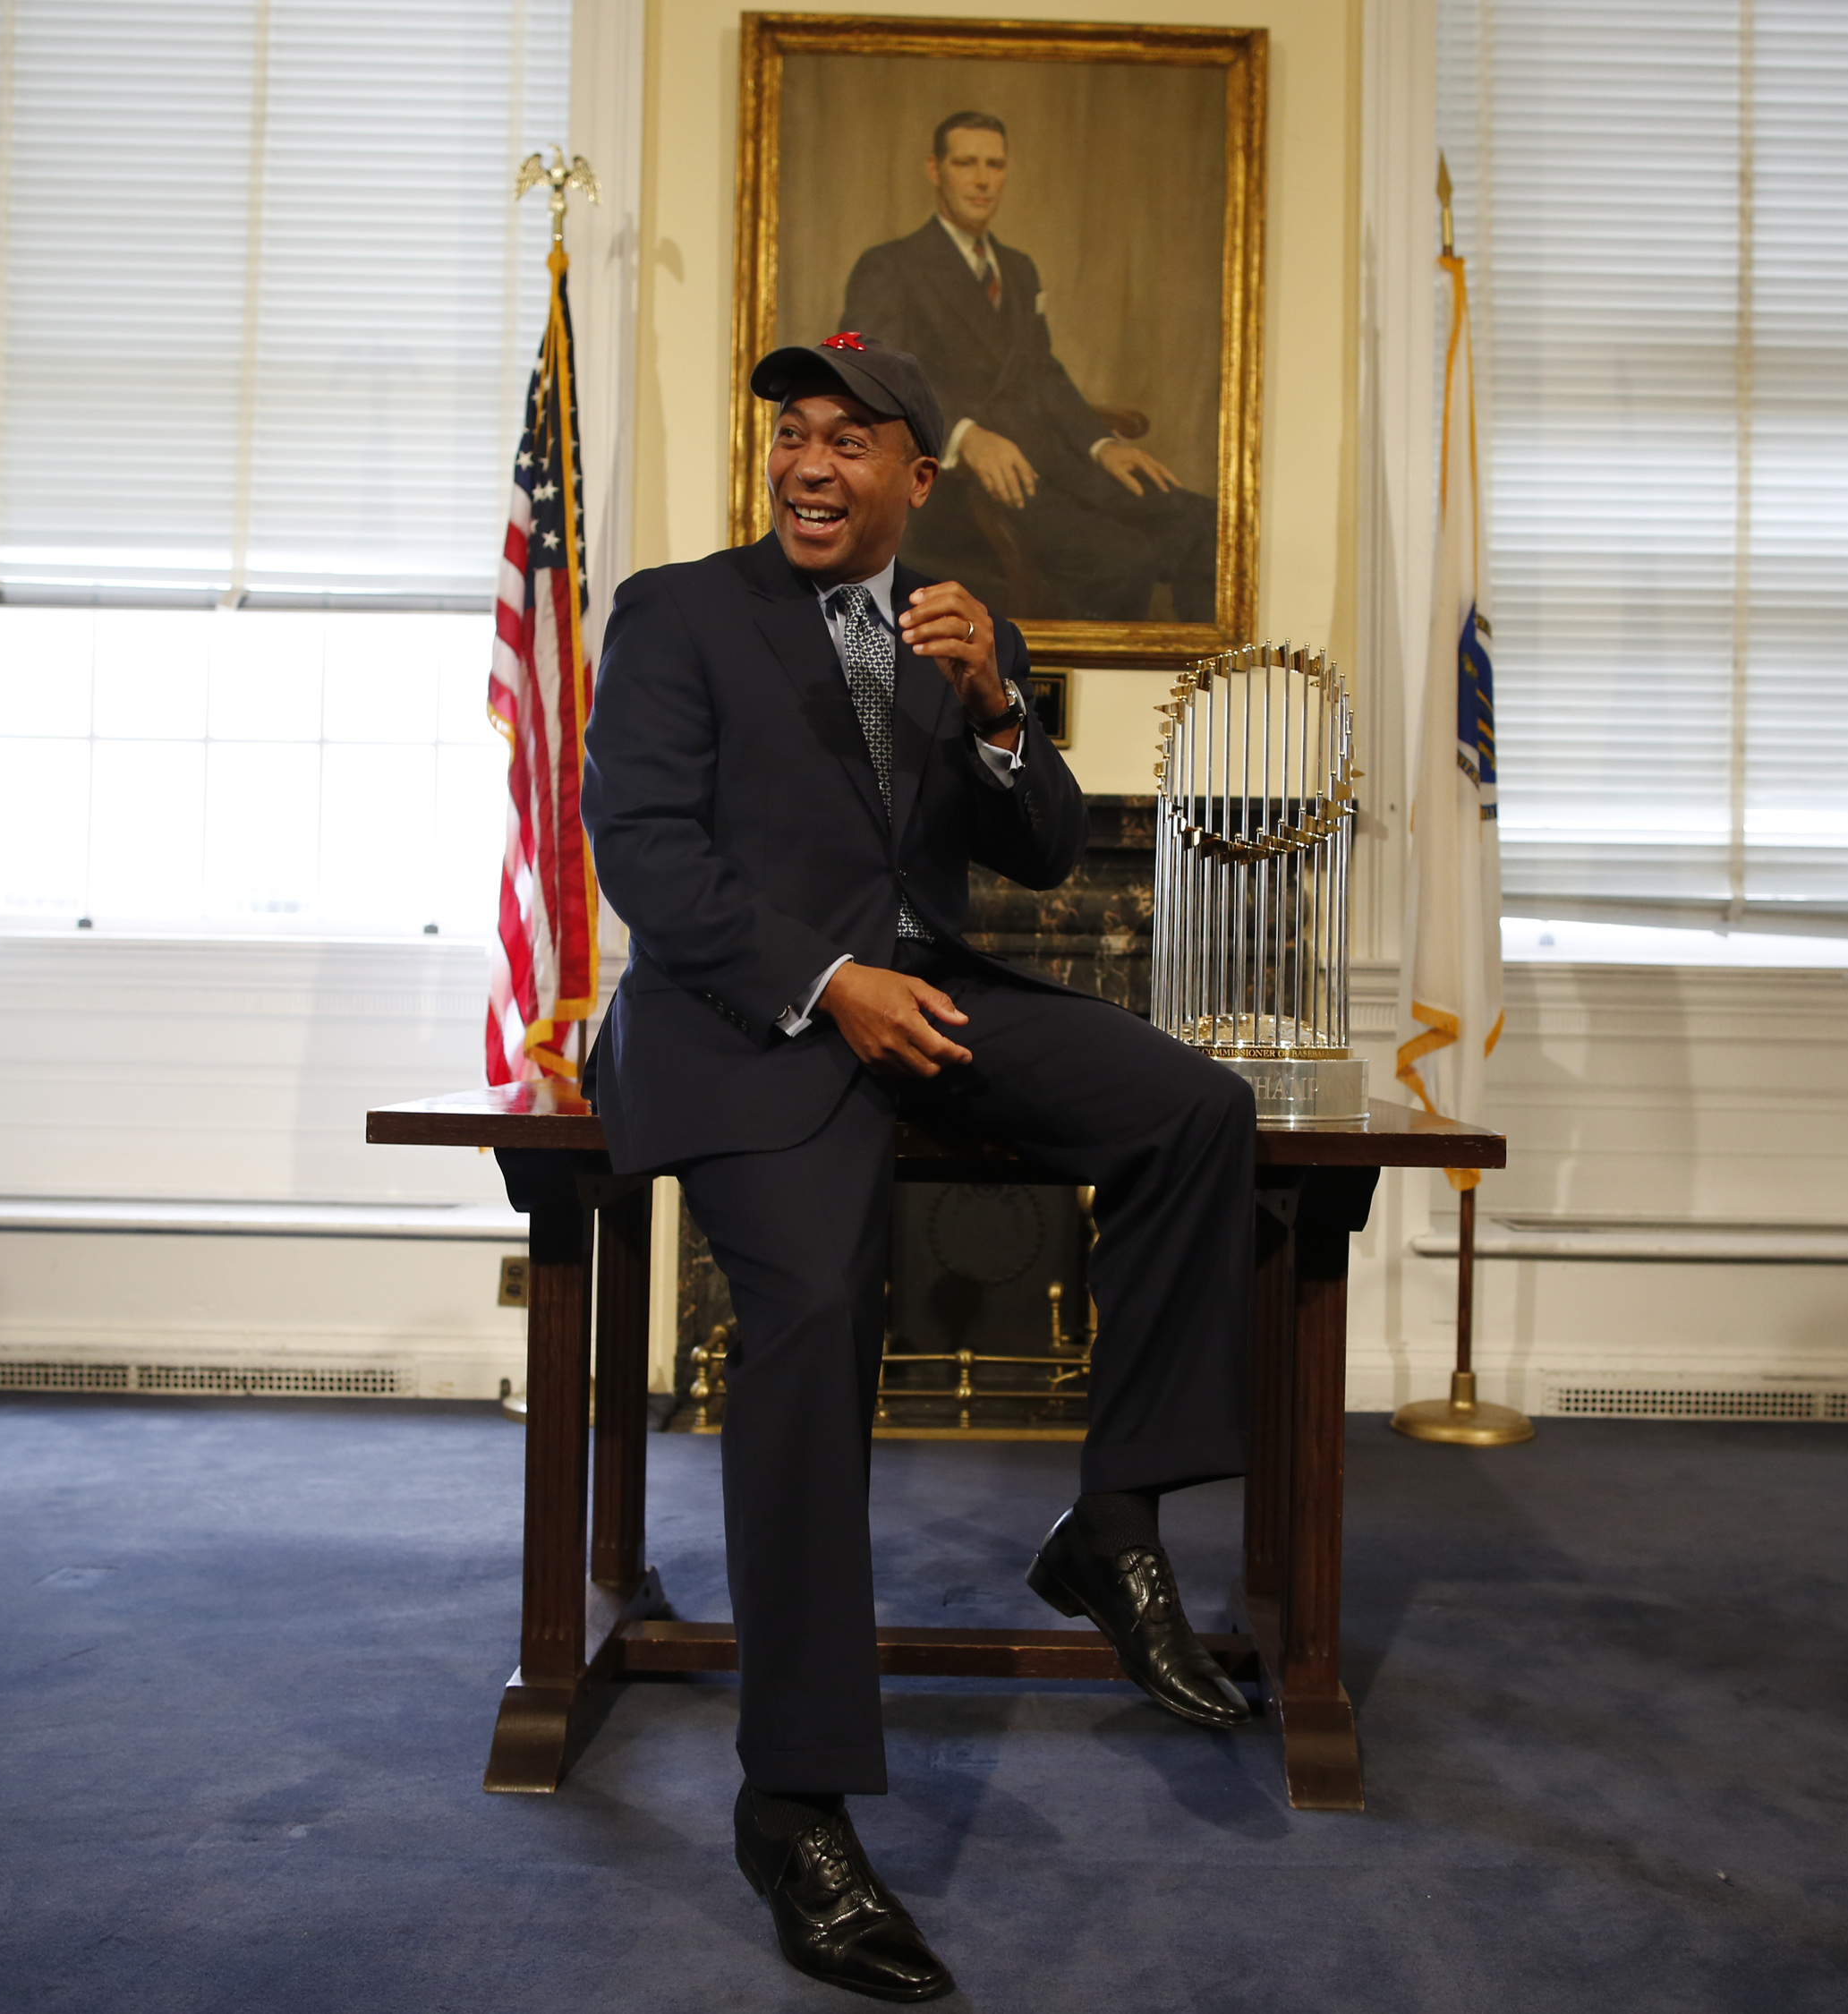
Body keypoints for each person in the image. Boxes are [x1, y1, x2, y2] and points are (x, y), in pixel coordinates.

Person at [578, 332, 1259, 2003]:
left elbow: (1031, 853)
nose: (810, 465)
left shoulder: (969, 630)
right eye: (792, 437)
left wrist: (1002, 710)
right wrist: (827, 986)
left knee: (1197, 1113)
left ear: (917, 478)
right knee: (815, 1317)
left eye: (850, 442)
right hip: (758, 1016)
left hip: (932, 990)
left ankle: (1111, 1525)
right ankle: (791, 1802)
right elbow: (646, 857)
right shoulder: (677, 613)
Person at [839, 109, 1219, 623]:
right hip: (966, 488)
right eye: (965, 163)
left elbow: (1042, 371)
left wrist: (1100, 444)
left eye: (994, 165)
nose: (981, 180)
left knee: (1201, 522)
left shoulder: (1017, 269)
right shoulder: (891, 266)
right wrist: (966, 436)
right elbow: (876, 378)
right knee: (1125, 560)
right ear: (935, 169)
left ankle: (1208, 683)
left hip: (1055, 460)